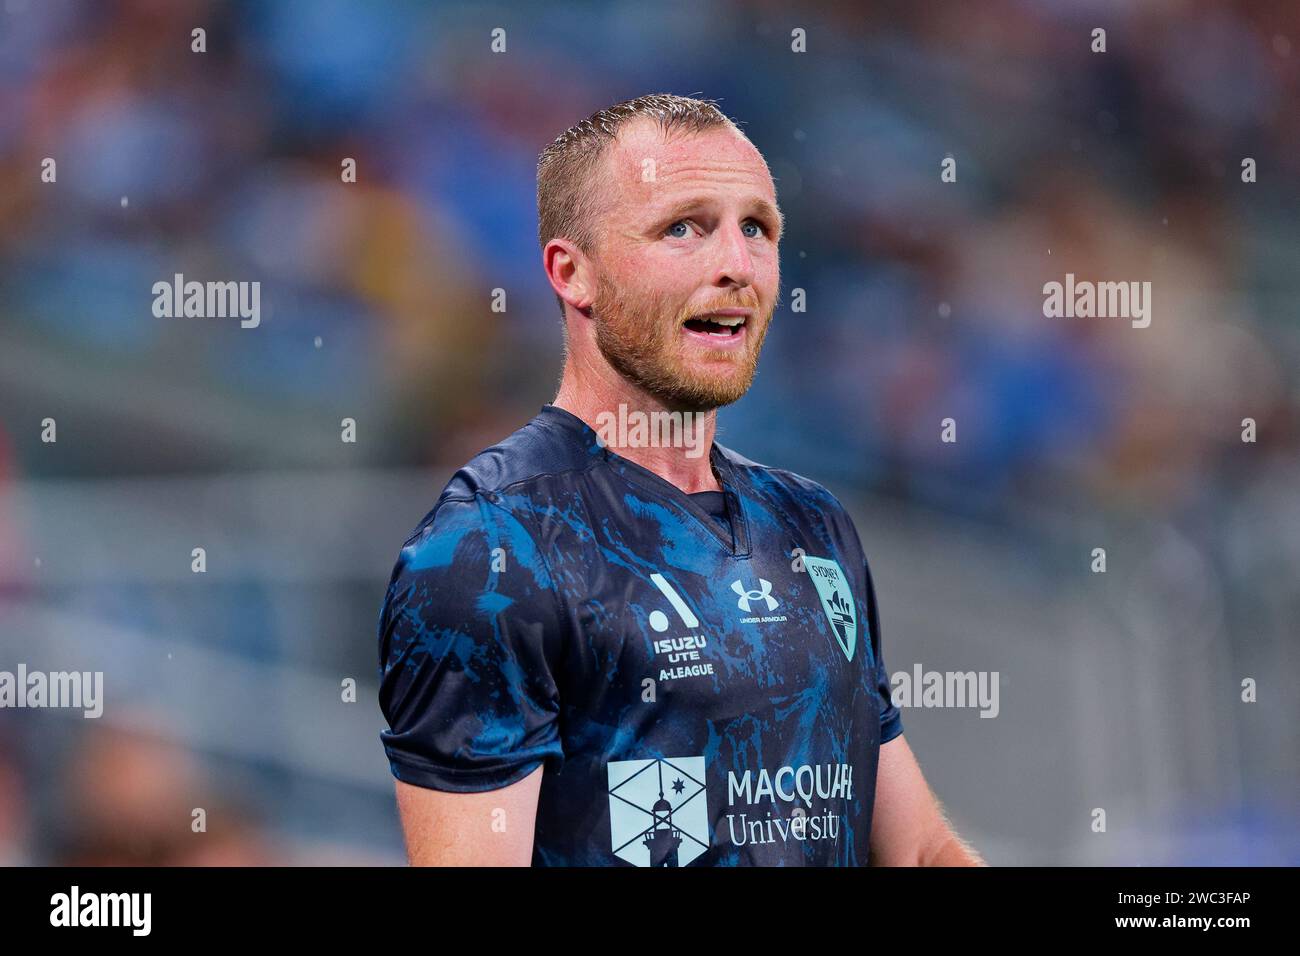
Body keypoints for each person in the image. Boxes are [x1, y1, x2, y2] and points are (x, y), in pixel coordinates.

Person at [377, 93, 982, 866]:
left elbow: (920, 852)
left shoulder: (813, 523)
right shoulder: (490, 549)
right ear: (574, 273)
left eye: (756, 228)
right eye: (684, 227)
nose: (735, 264)